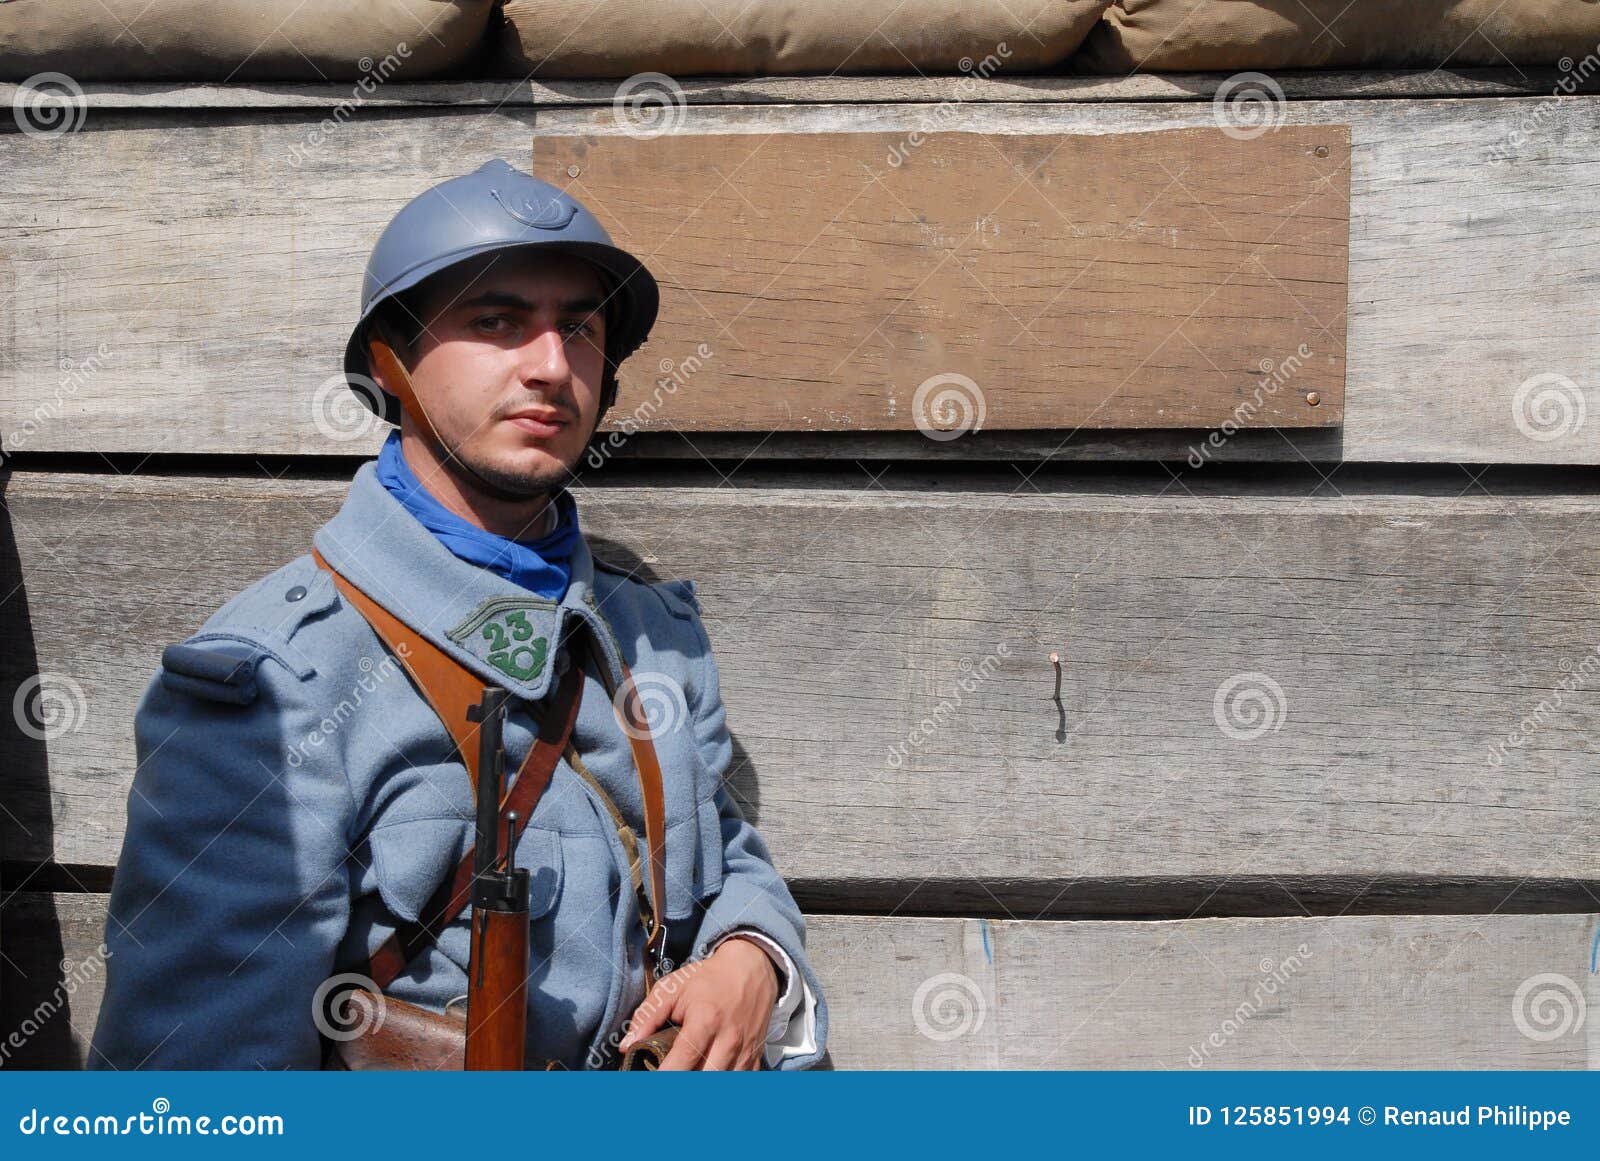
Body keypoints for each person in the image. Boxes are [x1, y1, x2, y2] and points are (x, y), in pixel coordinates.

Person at [89, 159, 825, 1071]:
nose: (552, 366)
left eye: (580, 328)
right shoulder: (273, 684)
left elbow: (727, 859)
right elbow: (195, 1087)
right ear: (387, 364)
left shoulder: (651, 637)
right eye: (497, 321)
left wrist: (757, 960)